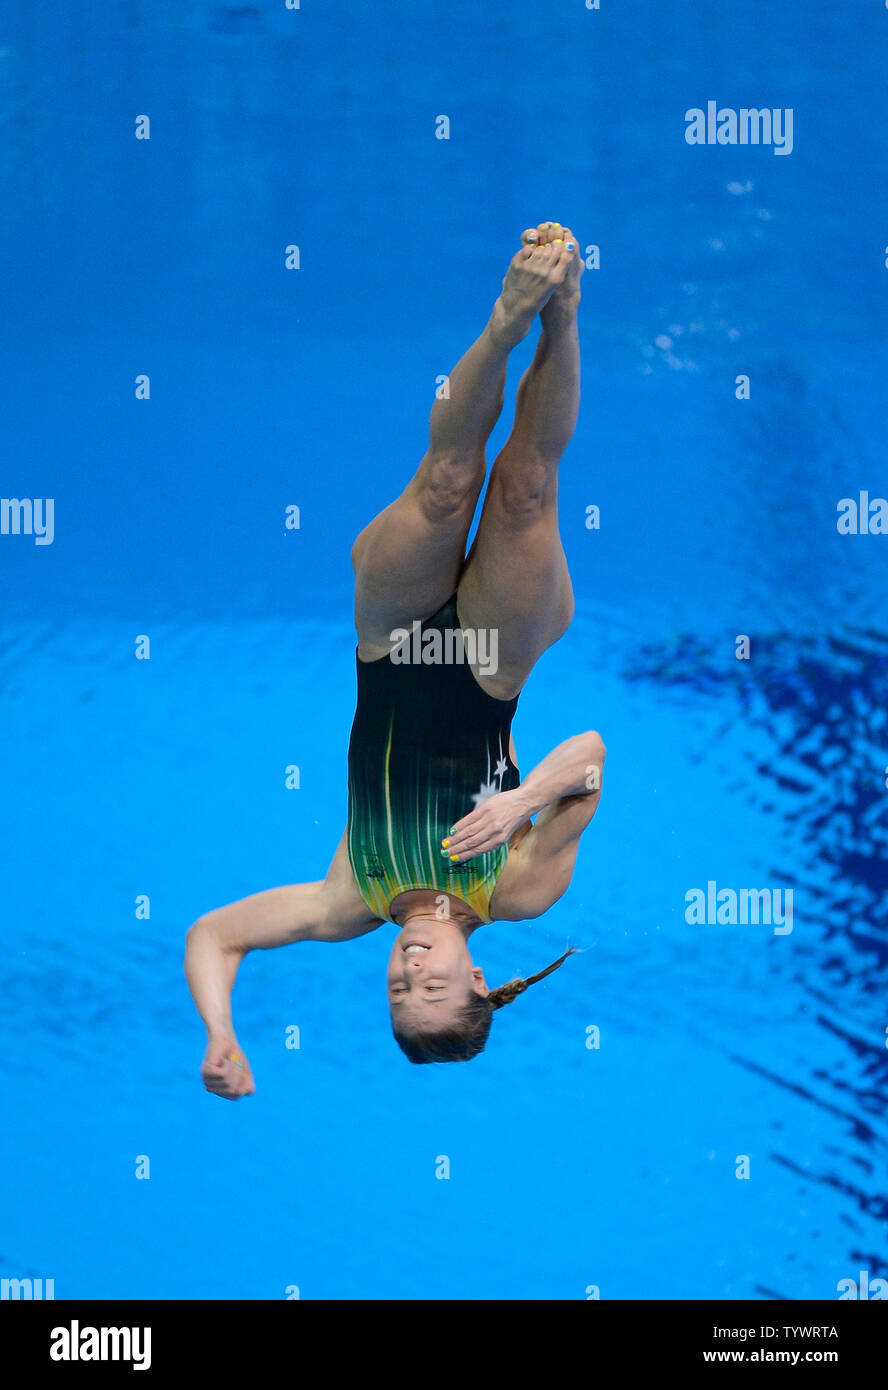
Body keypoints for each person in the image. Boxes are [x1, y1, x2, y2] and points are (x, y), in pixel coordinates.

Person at [185, 222, 605, 1095]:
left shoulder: (352, 898)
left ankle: (503, 323)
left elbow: (213, 935)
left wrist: (221, 1036)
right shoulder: (517, 892)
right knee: (524, 487)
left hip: (393, 642)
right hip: (495, 662)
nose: (410, 969)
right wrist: (523, 801)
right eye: (434, 985)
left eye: (397, 991)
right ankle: (561, 312)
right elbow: (593, 758)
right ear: (480, 980)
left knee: (449, 479)